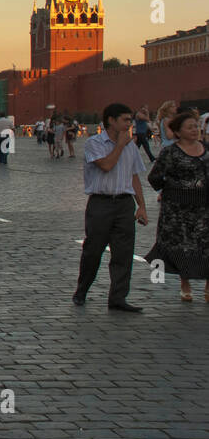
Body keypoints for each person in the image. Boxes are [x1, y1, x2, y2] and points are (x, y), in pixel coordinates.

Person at [73, 103, 149, 312]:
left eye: (129, 120)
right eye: (125, 120)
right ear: (111, 121)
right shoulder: (93, 143)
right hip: (101, 204)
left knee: (123, 253)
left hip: (124, 204)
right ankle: (82, 290)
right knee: (93, 251)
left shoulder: (130, 146)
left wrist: (141, 206)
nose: (129, 124)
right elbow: (106, 165)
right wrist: (120, 146)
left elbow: (134, 177)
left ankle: (118, 297)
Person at [143, 111, 209, 303]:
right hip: (177, 210)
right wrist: (170, 188)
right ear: (178, 132)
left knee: (206, 246)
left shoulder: (207, 149)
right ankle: (185, 283)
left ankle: (208, 286)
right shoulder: (170, 152)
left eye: (196, 126)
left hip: (204, 207)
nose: (195, 130)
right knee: (183, 247)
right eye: (190, 127)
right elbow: (154, 176)